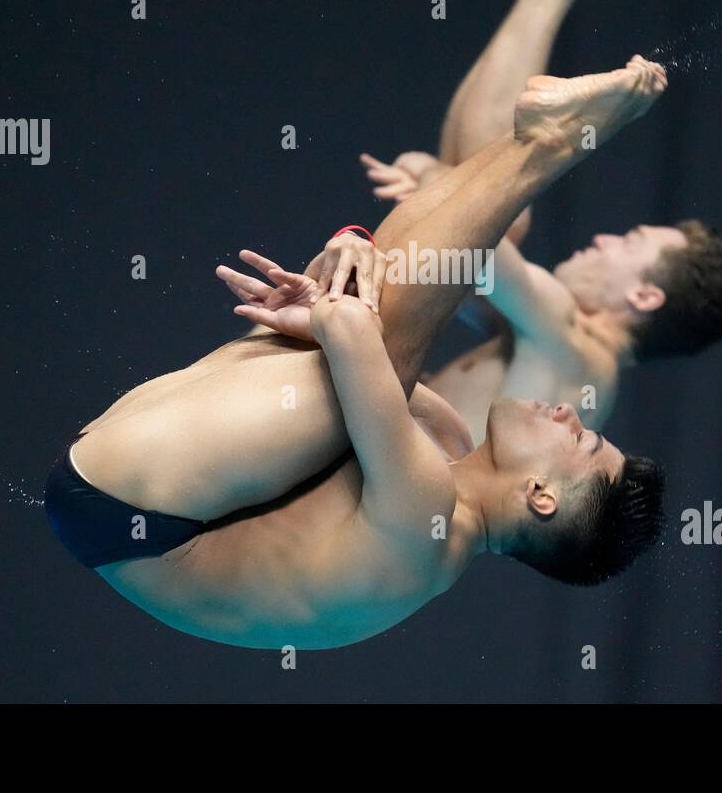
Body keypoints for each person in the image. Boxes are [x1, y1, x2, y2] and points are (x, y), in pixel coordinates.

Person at [45, 56, 668, 649]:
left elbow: (353, 324)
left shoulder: (429, 529)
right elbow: (343, 325)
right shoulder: (446, 441)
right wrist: (338, 280)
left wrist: (350, 248)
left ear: (540, 495)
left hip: (138, 508)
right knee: (380, 341)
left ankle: (551, 142)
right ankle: (534, 138)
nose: (570, 414)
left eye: (582, 439)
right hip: (139, 497)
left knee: (386, 341)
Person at [360, 0, 722, 439]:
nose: (606, 238)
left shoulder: (571, 340)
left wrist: (430, 175)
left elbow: (471, 239)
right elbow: (460, 255)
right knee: (488, 219)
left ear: (644, 295)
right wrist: (434, 180)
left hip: (394, 507)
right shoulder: (560, 350)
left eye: (630, 242)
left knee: (497, 221)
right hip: (390, 492)